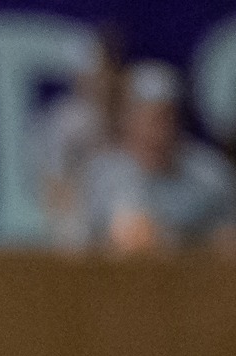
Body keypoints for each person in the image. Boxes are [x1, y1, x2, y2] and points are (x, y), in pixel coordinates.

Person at [80, 60, 236, 253]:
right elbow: (121, 238)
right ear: (126, 122)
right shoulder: (102, 174)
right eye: (145, 119)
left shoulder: (211, 172)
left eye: (166, 118)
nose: (158, 132)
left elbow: (229, 237)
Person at [32, 33, 125, 250]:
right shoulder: (67, 121)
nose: (100, 81)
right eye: (92, 75)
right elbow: (55, 185)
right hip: (75, 223)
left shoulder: (122, 112)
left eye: (104, 73)